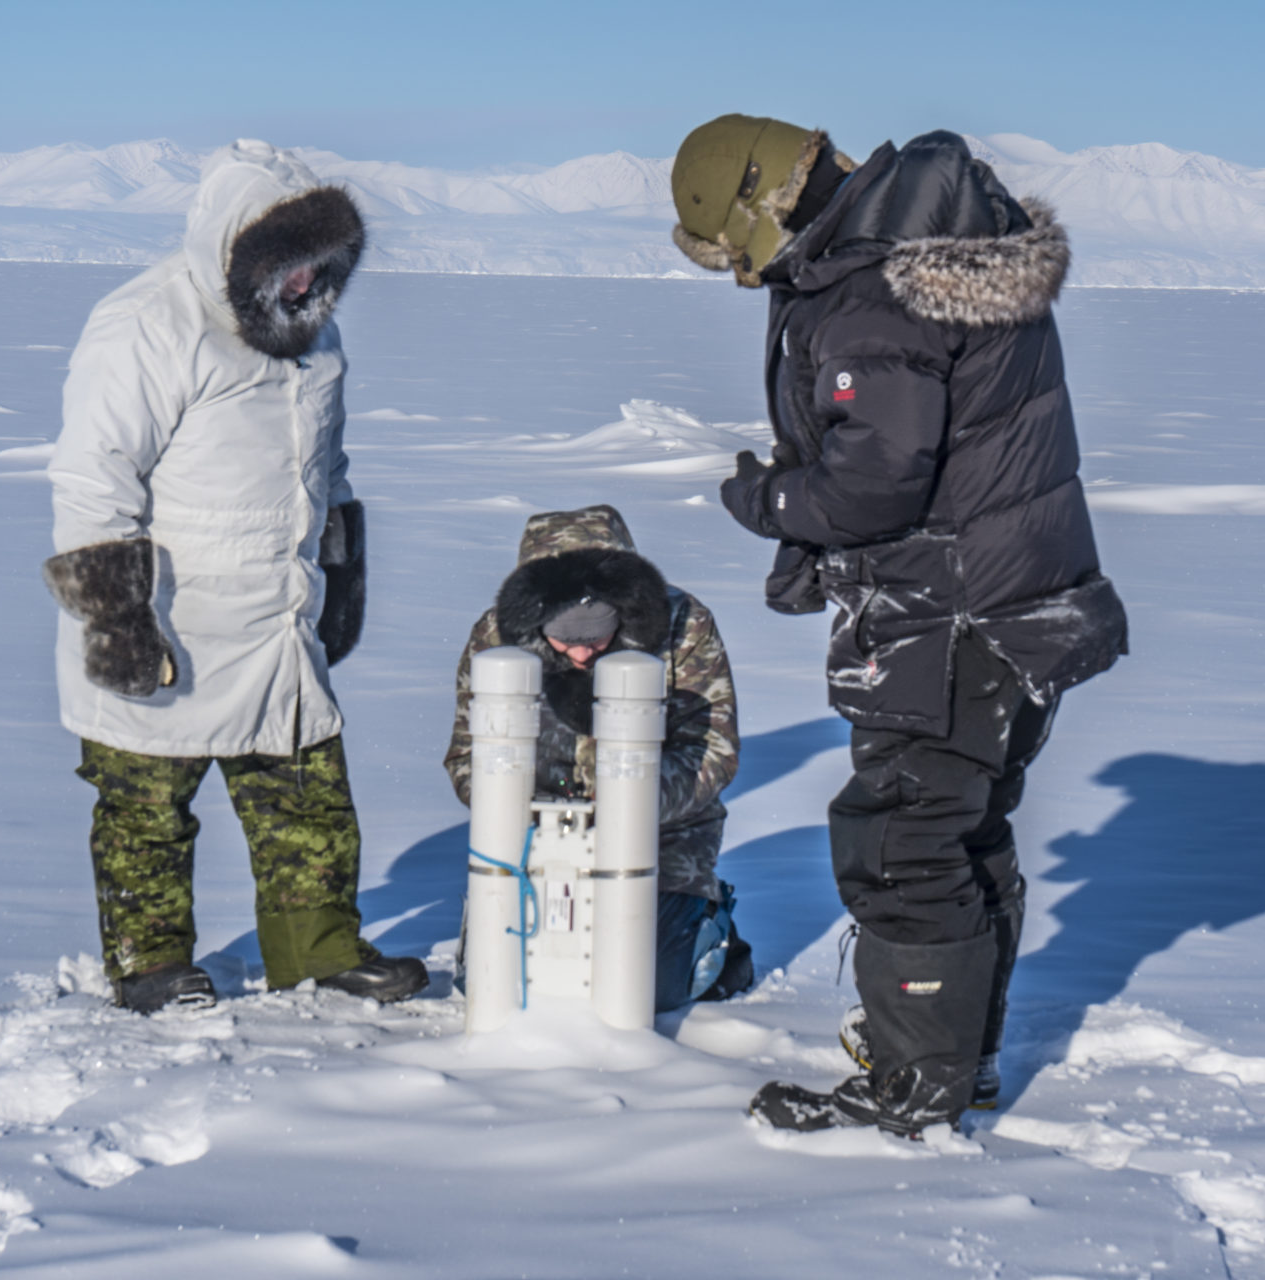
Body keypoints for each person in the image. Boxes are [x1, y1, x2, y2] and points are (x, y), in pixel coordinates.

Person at [668, 117, 1128, 1134]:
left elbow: (874, 482)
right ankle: (958, 1062)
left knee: (904, 843)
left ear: (763, 201)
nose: (749, 273)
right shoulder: (934, 251)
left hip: (947, 611)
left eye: (740, 250)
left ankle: (913, 1091)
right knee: (963, 832)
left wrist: (770, 500)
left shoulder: (875, 288)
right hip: (1012, 600)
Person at [42, 140, 426, 1015]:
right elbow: (92, 479)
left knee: (308, 795)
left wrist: (341, 569)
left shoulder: (316, 334)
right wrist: (117, 618)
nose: (307, 281)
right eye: (290, 261)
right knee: (145, 808)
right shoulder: (146, 324)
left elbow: (327, 467)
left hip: (274, 617)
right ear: (239, 249)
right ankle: (151, 966)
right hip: (169, 616)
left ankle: (318, 951)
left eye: (321, 262)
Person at [443, 504, 753, 1009]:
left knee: (647, 987)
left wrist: (630, 804)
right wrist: (521, 811)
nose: (583, 655)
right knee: (496, 979)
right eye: (566, 641)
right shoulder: (496, 642)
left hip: (662, 835)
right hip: (532, 840)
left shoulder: (685, 626)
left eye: (596, 638)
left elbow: (713, 750)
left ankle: (708, 927)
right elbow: (466, 755)